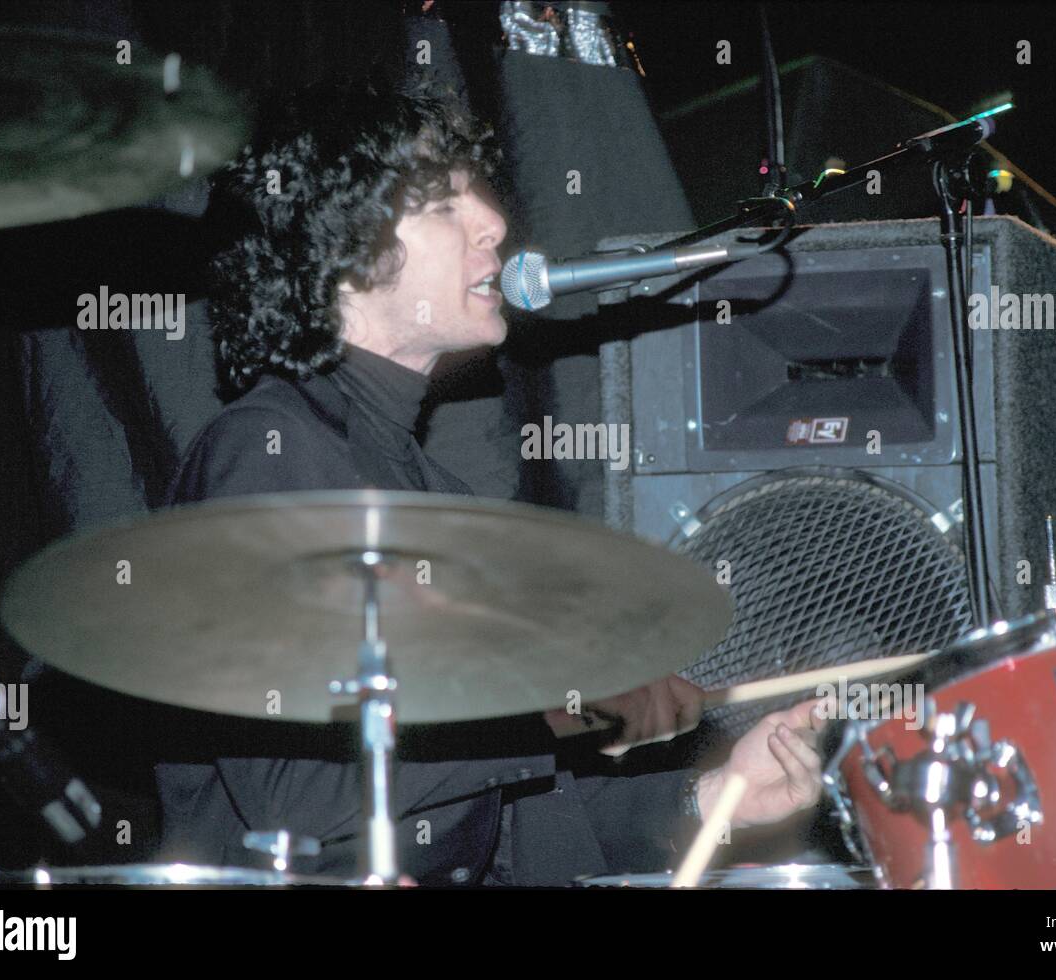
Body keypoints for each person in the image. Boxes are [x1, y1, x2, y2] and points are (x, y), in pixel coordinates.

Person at [155, 74, 828, 886]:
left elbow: (526, 826)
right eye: (445, 204)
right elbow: (297, 795)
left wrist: (716, 798)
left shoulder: (438, 494)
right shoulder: (265, 452)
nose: (496, 224)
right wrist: (566, 705)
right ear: (340, 252)